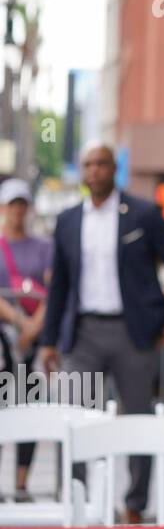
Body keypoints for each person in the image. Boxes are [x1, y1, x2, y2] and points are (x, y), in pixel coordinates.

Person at [37, 141, 164, 525]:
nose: (93, 171)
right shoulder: (69, 220)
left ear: (113, 170)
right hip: (83, 333)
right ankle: (78, 501)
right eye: (87, 164)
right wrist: (49, 340)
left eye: (101, 164)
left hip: (133, 333)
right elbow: (59, 285)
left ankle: (134, 504)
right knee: (75, 418)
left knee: (137, 419)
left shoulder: (143, 214)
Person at [0, 178, 53, 501]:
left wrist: (34, 326)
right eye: (12, 204)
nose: (18, 211)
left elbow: (53, 285)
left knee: (30, 406)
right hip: (4, 341)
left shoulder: (44, 246)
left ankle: (21, 482)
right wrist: (19, 321)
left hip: (35, 339)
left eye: (23, 204)